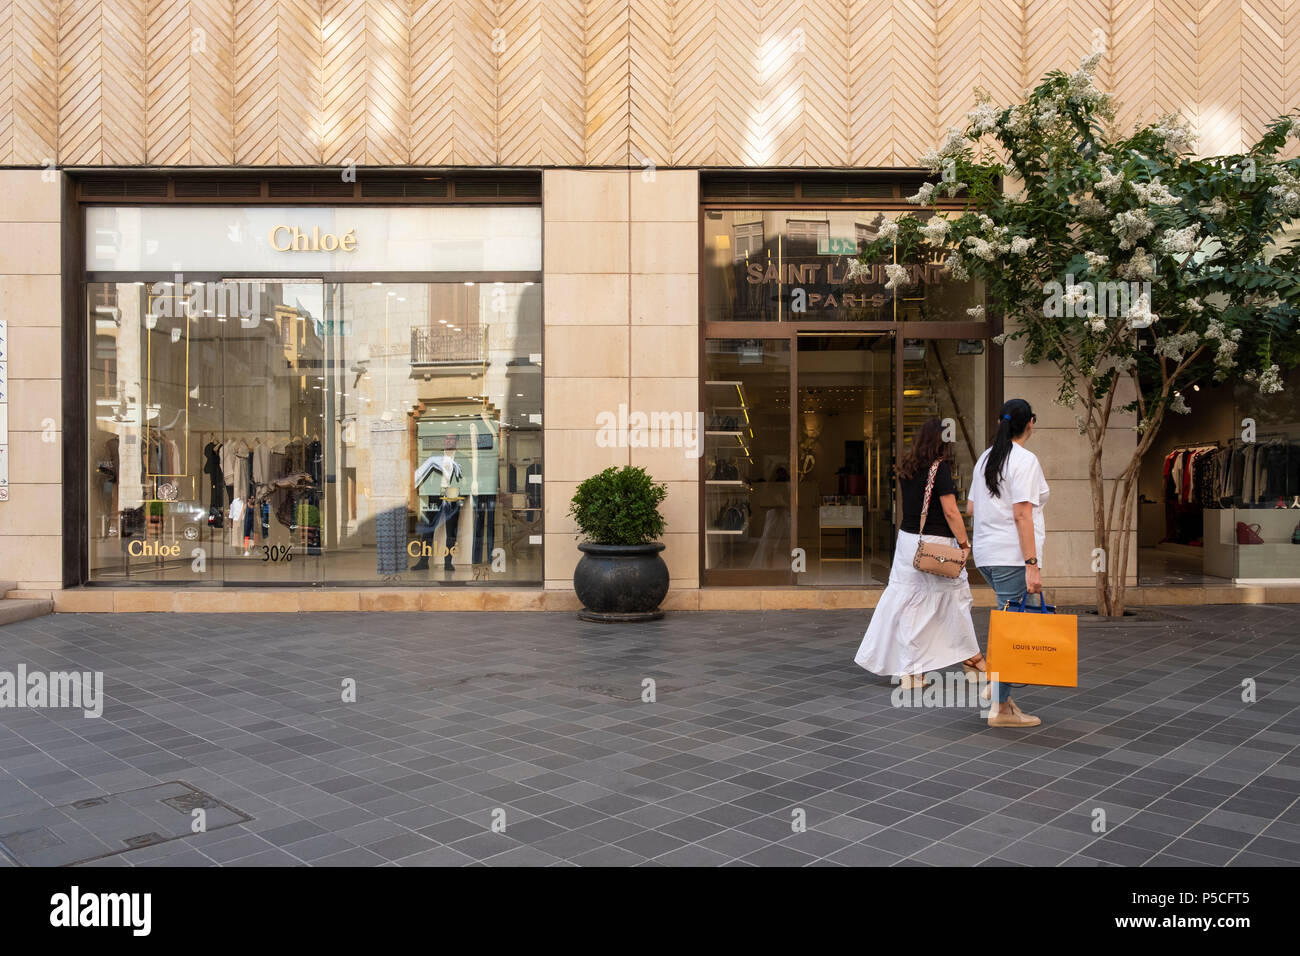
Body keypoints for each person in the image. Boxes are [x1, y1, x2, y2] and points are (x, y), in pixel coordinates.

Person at [855, 418, 983, 688]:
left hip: (908, 542)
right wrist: (964, 542)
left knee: (907, 603)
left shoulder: (907, 468)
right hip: (936, 544)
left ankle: (912, 671)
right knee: (956, 599)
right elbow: (950, 511)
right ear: (941, 440)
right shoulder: (941, 468)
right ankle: (972, 660)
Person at [969, 398, 1050, 729]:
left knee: (1009, 623)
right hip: (1010, 557)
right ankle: (1000, 705)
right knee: (1014, 630)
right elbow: (1021, 513)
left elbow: (973, 508)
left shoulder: (985, 459)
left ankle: (1001, 691)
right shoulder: (1024, 460)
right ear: (1030, 422)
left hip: (987, 555)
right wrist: (1032, 563)